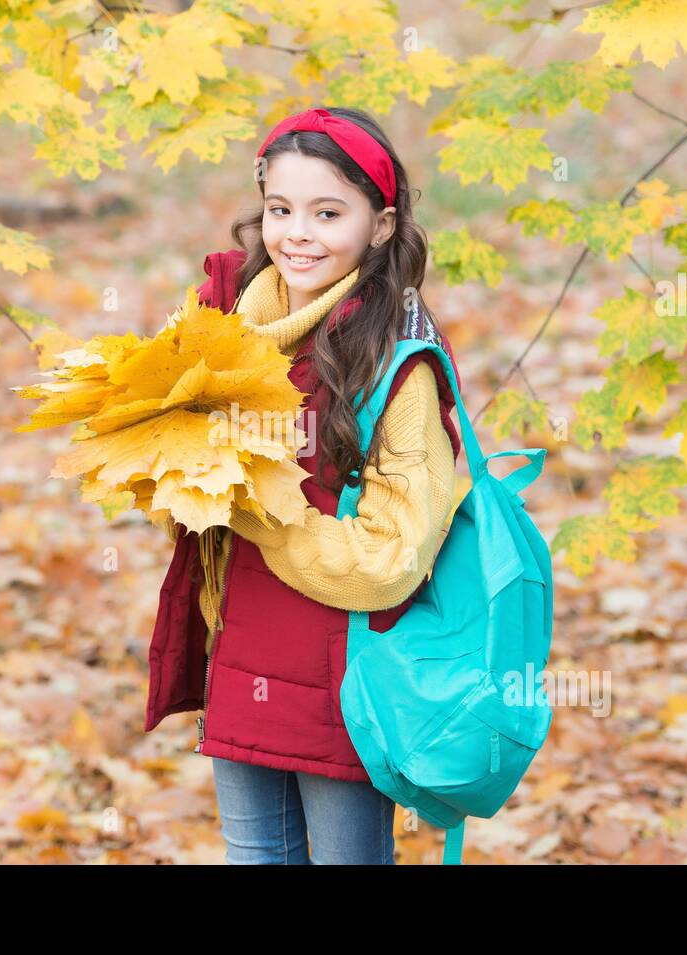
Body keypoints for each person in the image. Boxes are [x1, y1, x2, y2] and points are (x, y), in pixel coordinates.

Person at [146, 106, 464, 864]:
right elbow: (189, 509)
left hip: (345, 686)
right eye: (281, 209)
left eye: (328, 213)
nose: (297, 233)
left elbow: (392, 557)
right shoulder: (221, 327)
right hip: (243, 655)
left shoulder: (397, 362)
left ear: (382, 225)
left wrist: (258, 504)